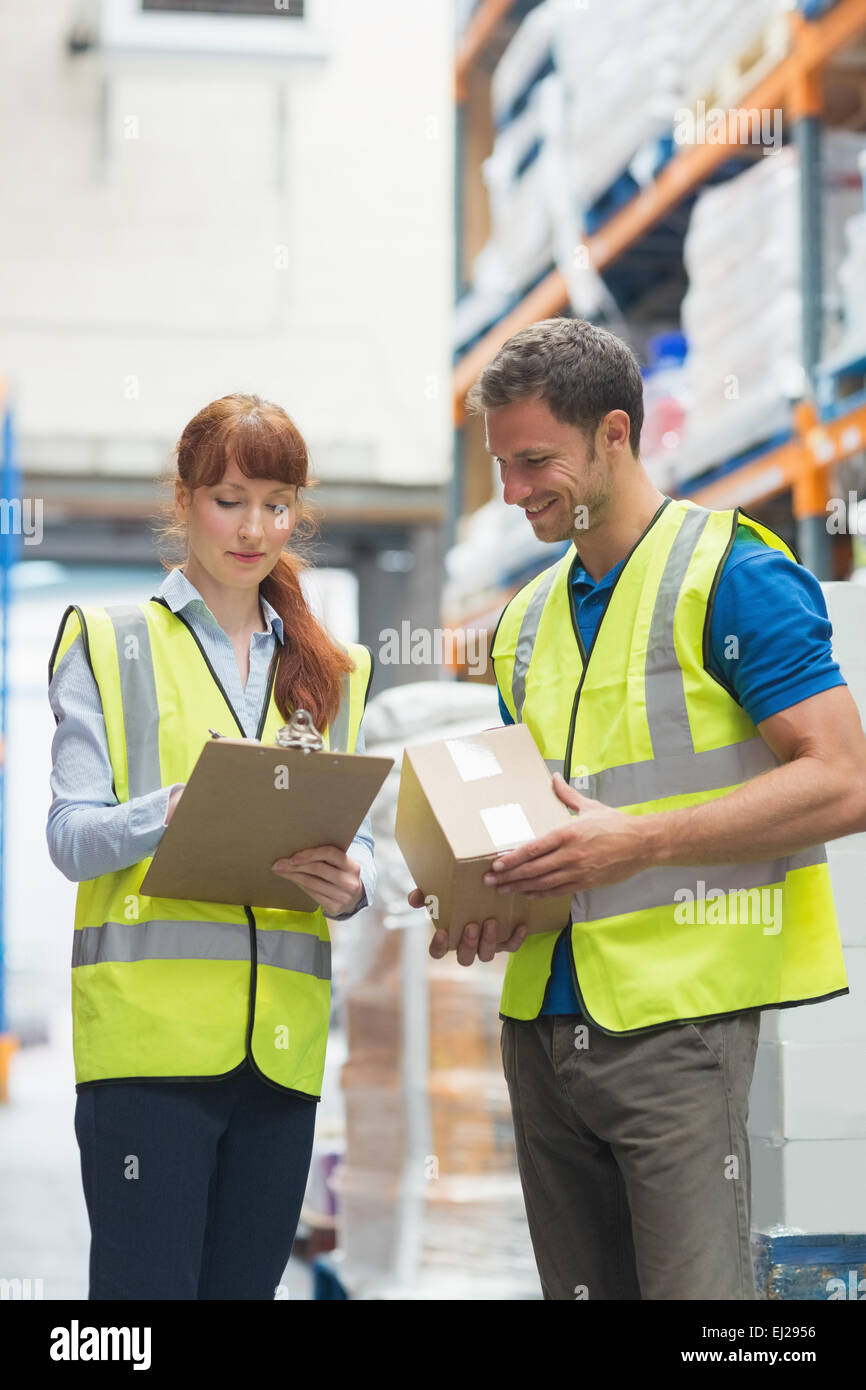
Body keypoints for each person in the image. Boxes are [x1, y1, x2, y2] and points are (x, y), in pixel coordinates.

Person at [409, 317, 866, 1300]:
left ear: (614, 435)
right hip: (538, 1028)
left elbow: (843, 779)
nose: (515, 492)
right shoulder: (523, 622)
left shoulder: (732, 577)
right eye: (500, 466)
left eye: (535, 462)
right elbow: (544, 816)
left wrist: (639, 843)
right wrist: (479, 892)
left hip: (675, 1027)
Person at [46, 392, 376, 1300]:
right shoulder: (109, 645)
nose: (254, 526)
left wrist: (352, 886)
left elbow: (368, 846)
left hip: (281, 1053)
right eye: (230, 498)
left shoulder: (333, 667)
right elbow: (71, 838)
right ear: (186, 499)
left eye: (277, 502)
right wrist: (179, 807)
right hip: (149, 1054)